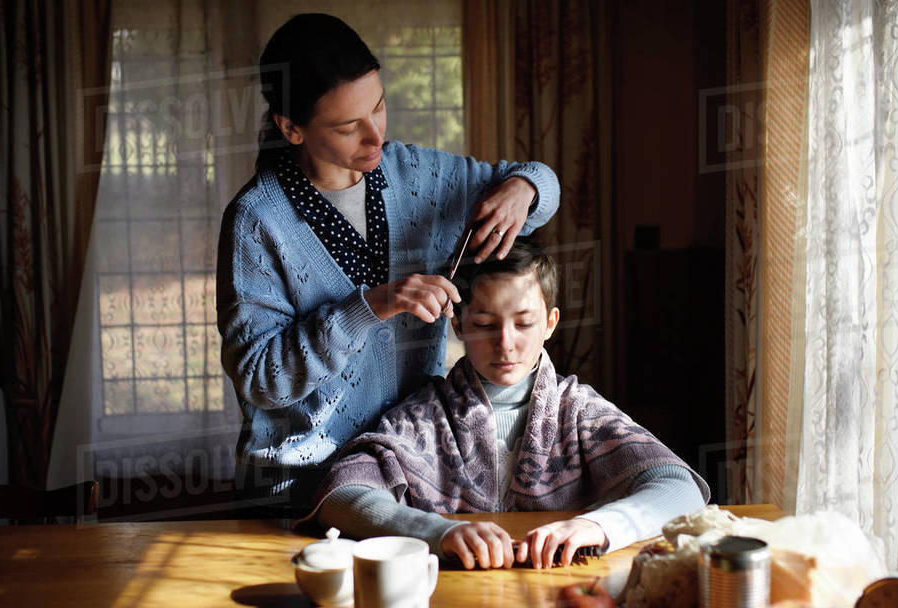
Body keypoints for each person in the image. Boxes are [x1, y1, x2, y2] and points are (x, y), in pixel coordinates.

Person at [217, 14, 560, 513]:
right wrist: (371, 305)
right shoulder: (257, 220)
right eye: (347, 126)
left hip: (410, 466)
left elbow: (541, 184)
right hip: (298, 486)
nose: (375, 137)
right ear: (291, 128)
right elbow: (259, 379)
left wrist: (522, 189)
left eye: (378, 107)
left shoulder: (413, 172)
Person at [300, 238, 710, 569]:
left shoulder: (579, 411)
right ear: (458, 325)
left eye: (524, 323)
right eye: (484, 325)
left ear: (550, 323)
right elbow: (341, 493)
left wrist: (599, 526)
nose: (506, 343)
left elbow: (680, 488)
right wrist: (435, 532)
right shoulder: (424, 417)